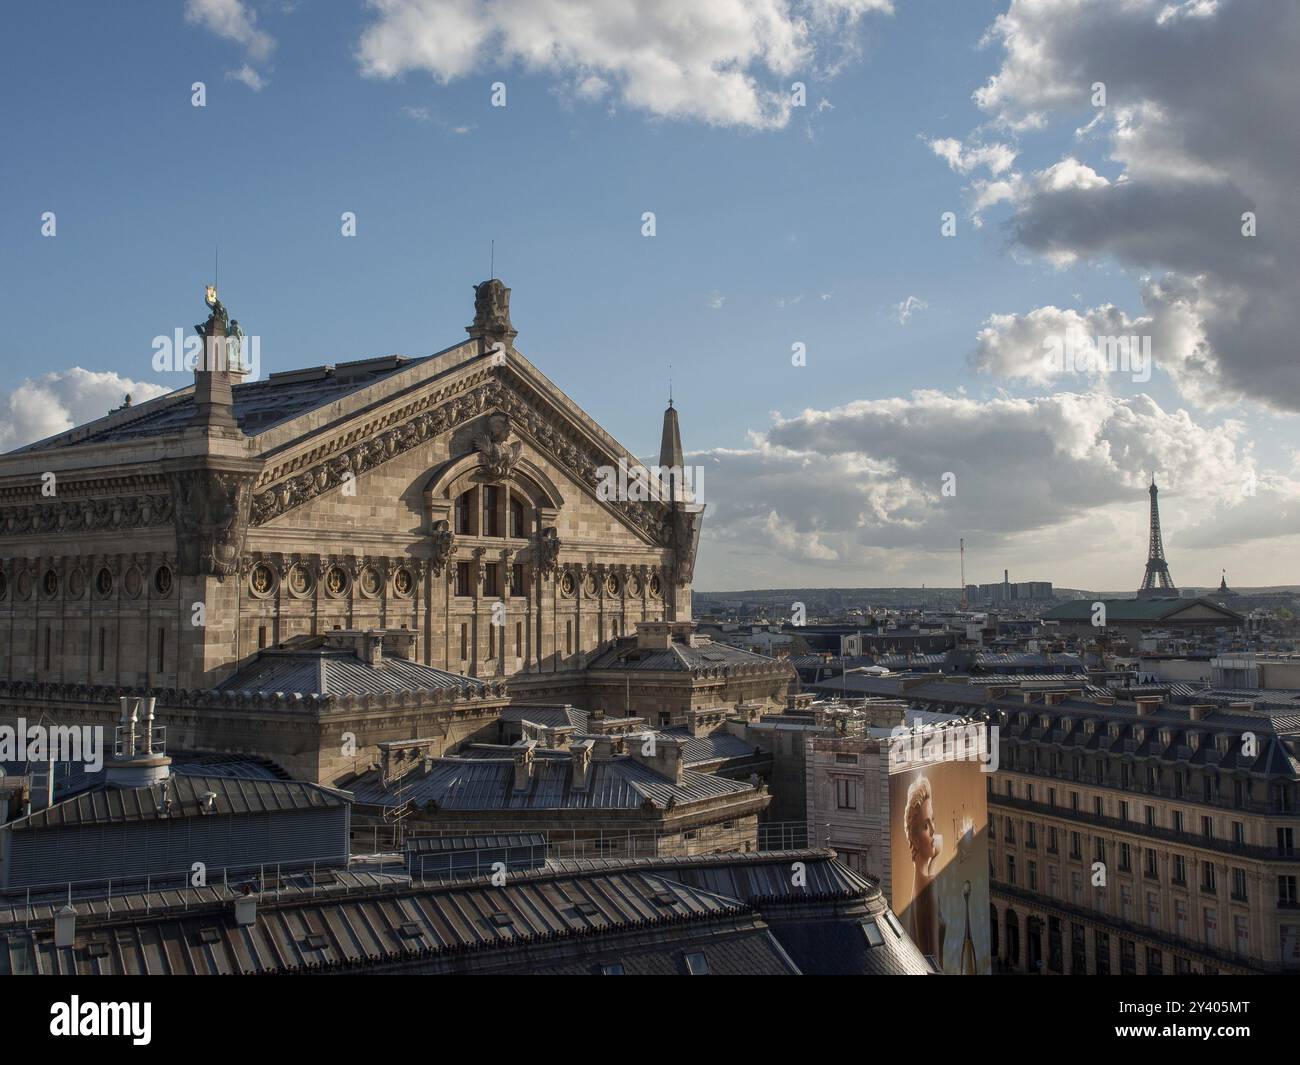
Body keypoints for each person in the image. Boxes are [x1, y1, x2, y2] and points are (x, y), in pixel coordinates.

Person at [903, 773, 944, 960]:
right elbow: (933, 962)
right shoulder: (929, 888)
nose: (934, 830)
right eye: (926, 826)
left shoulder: (918, 883)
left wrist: (934, 857)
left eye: (932, 820)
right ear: (914, 838)